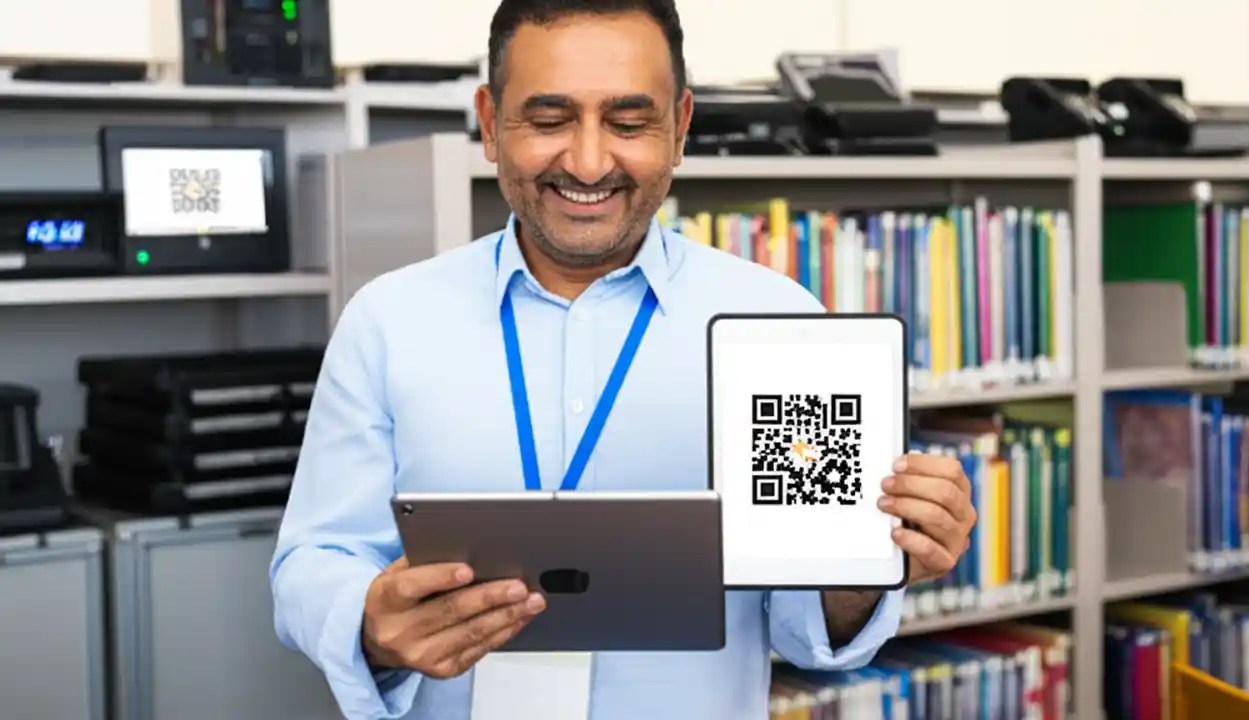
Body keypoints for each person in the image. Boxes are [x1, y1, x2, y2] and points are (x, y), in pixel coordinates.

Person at [269, 1, 978, 718]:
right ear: (489, 123)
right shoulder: (389, 321)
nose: (588, 162)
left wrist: (868, 562)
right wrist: (368, 621)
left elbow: (806, 625)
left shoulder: (779, 322)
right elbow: (312, 561)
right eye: (549, 120)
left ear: (681, 126)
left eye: (630, 124)